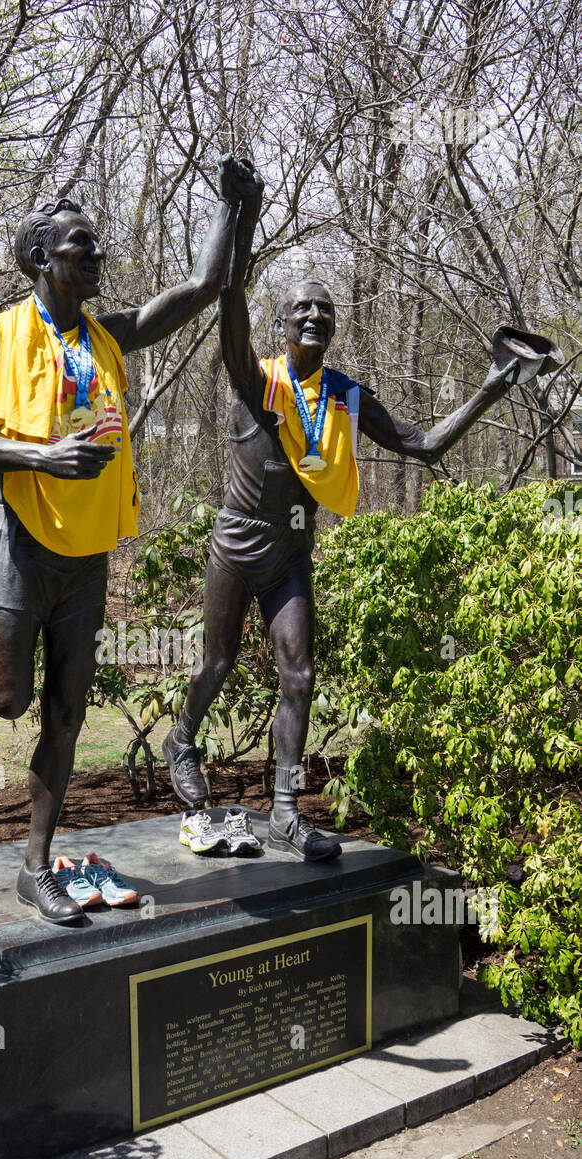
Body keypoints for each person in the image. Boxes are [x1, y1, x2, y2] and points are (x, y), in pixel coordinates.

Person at [163, 166, 550, 861]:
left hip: (291, 551)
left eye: (325, 310)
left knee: (300, 675)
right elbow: (228, 301)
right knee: (217, 663)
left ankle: (285, 811)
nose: (314, 317)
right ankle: (182, 737)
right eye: (300, 310)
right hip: (235, 542)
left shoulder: (347, 396)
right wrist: (242, 212)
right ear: (280, 325)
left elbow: (423, 446)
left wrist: (493, 386)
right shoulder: (257, 381)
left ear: (336, 326)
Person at [0, 156, 262, 923]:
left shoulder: (108, 335)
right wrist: (43, 456)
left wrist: (233, 209)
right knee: (11, 701)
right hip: (21, 544)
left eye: (97, 245)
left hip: (88, 556)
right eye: (81, 245)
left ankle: (37, 865)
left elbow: (202, 289)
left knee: (67, 714)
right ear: (41, 257)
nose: (97, 256)